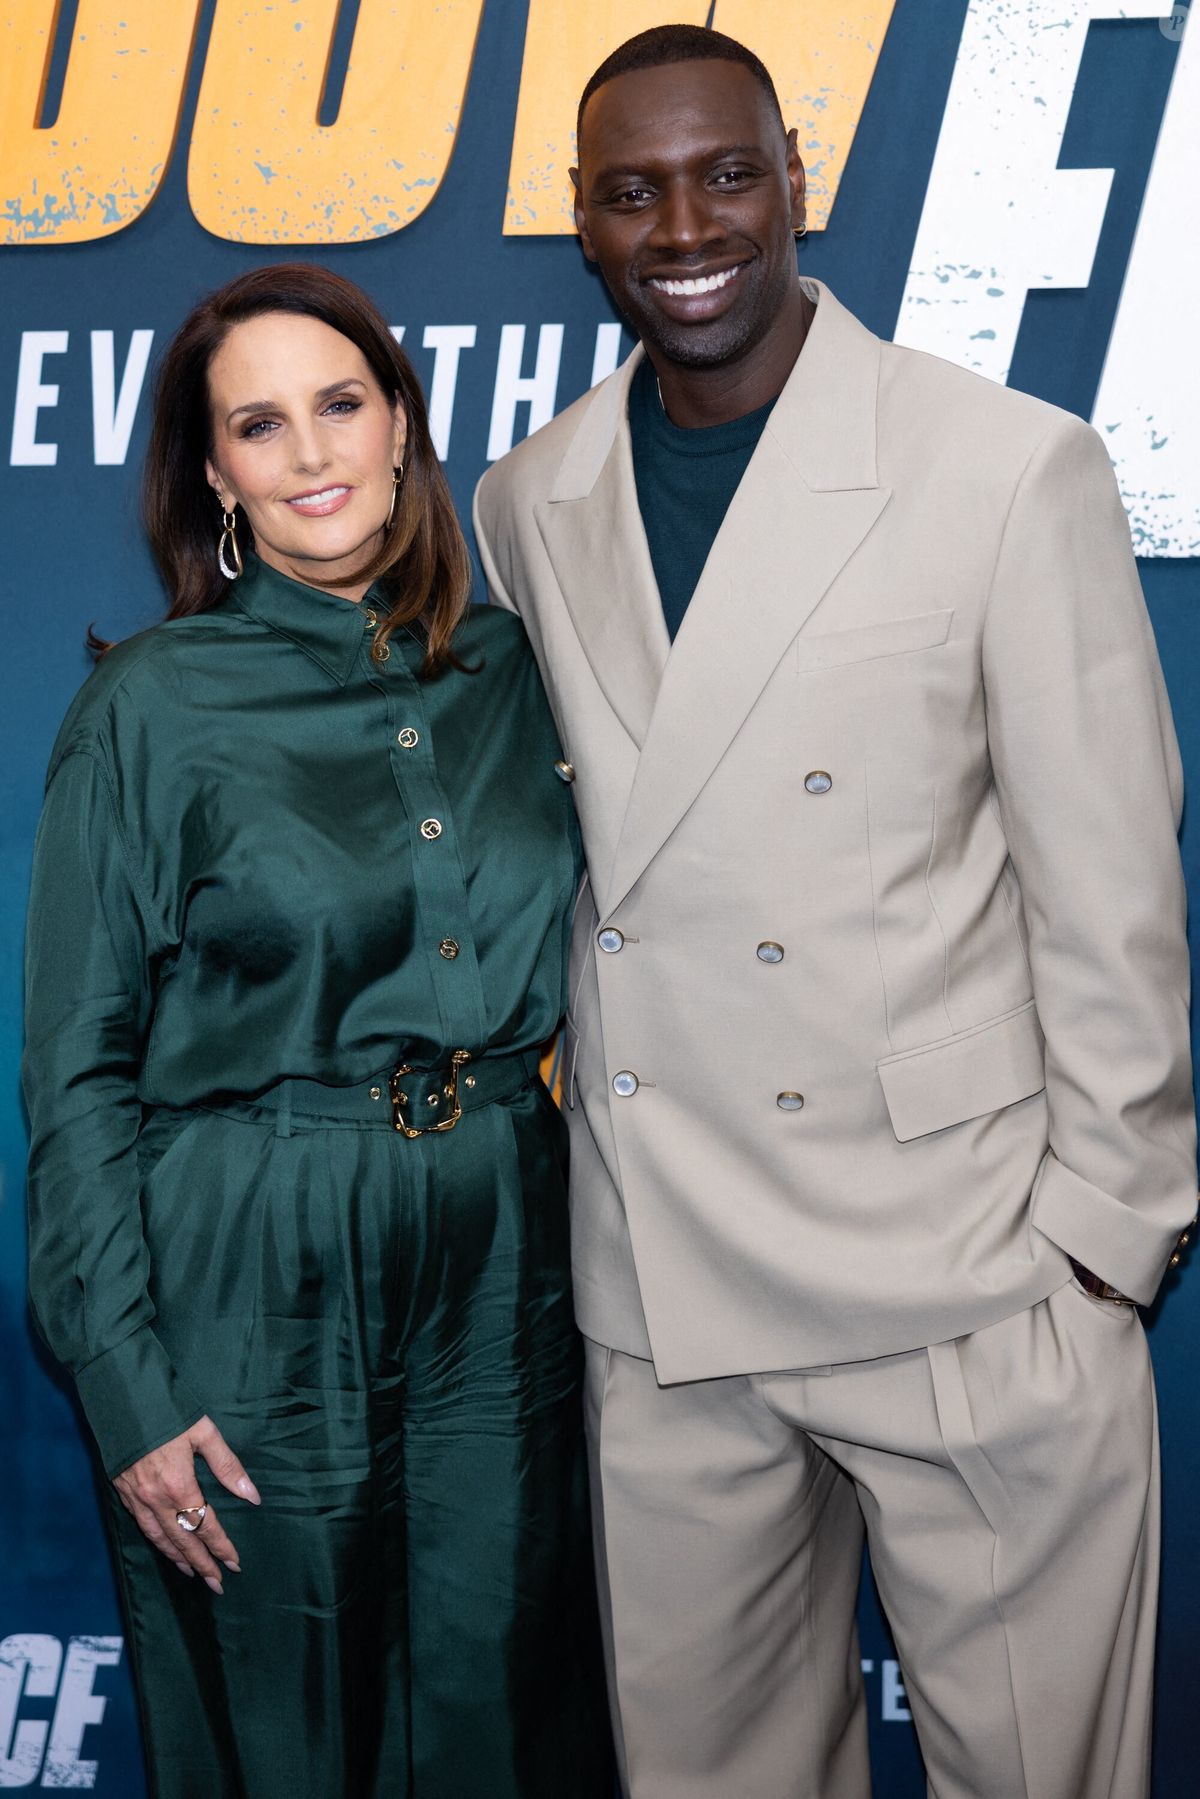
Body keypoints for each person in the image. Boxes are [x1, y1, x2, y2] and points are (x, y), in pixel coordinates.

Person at [473, 24, 1196, 1799]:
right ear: (581, 225)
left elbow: (1111, 888)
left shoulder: (1003, 467)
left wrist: (1107, 1236)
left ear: (796, 176)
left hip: (962, 1276)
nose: (686, 225)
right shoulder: (527, 501)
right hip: (669, 1291)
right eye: (632, 192)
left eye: (726, 171)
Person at [24, 263, 612, 1799]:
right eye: (259, 425)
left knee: (505, 1710)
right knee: (289, 1736)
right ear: (214, 472)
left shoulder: (510, 673)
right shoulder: (152, 707)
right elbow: (75, 1074)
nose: (311, 452)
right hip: (250, 1265)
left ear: (403, 420)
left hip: (503, 1255)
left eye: (340, 403)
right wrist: (128, 1387)